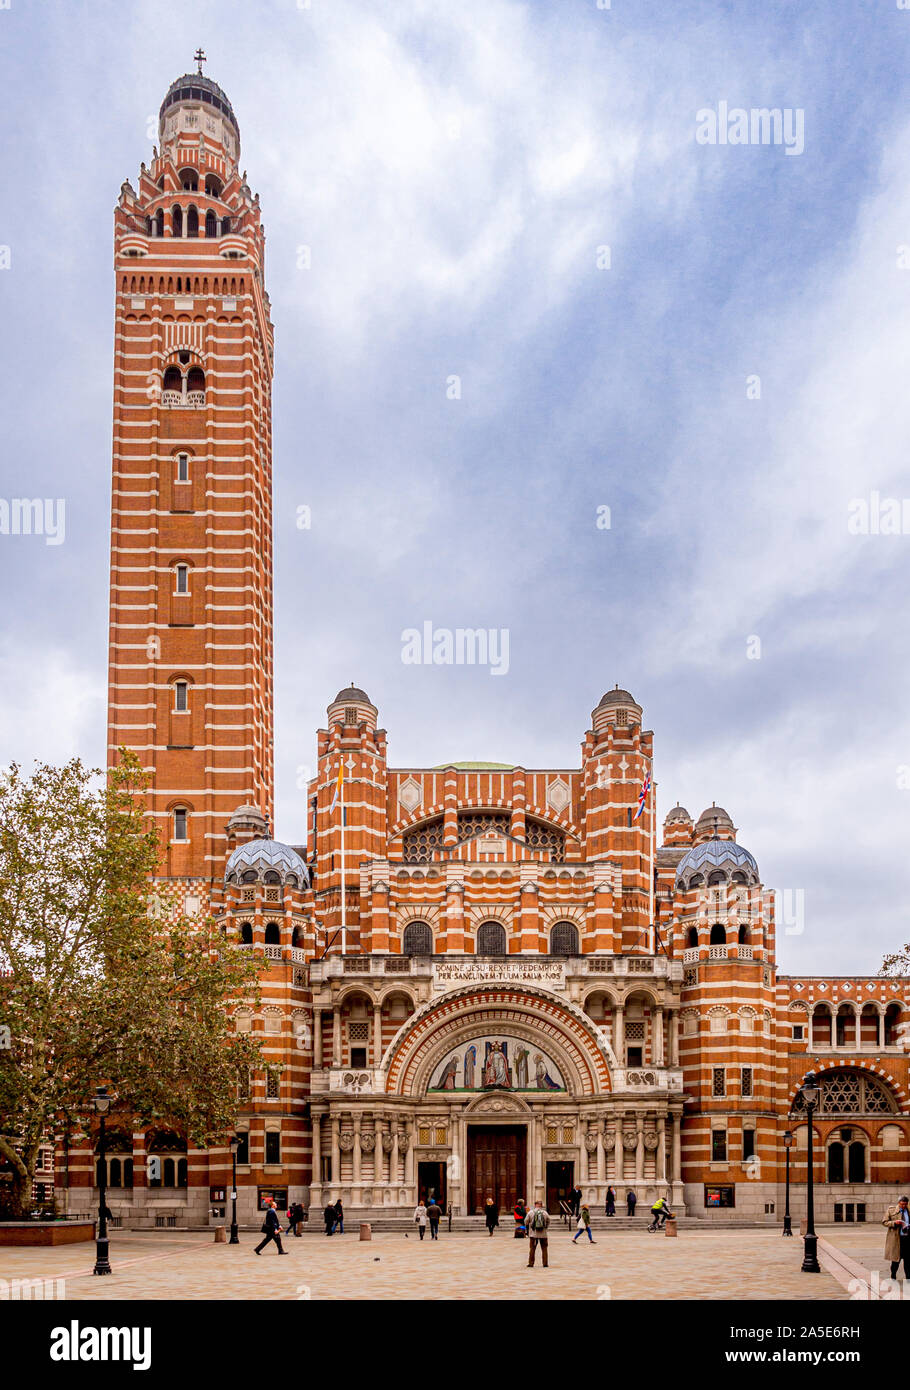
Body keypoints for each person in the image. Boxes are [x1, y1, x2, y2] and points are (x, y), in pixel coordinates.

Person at [882, 1195, 910, 1279]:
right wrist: (894, 1223)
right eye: (902, 1204)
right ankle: (893, 1275)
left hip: (907, 1239)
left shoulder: (908, 1211)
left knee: (908, 1261)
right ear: (898, 1203)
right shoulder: (891, 1210)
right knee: (896, 1260)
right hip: (897, 1239)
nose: (904, 1206)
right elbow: (884, 1222)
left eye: (905, 1204)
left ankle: (908, 1278)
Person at [526, 1200, 550, 1267]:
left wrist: (530, 1227)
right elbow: (548, 1221)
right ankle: (545, 1263)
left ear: (535, 1205)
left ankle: (531, 1263)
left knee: (532, 1249)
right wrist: (545, 1227)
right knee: (544, 1249)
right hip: (543, 1234)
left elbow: (526, 1221)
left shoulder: (531, 1212)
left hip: (533, 1234)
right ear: (541, 1205)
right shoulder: (545, 1213)